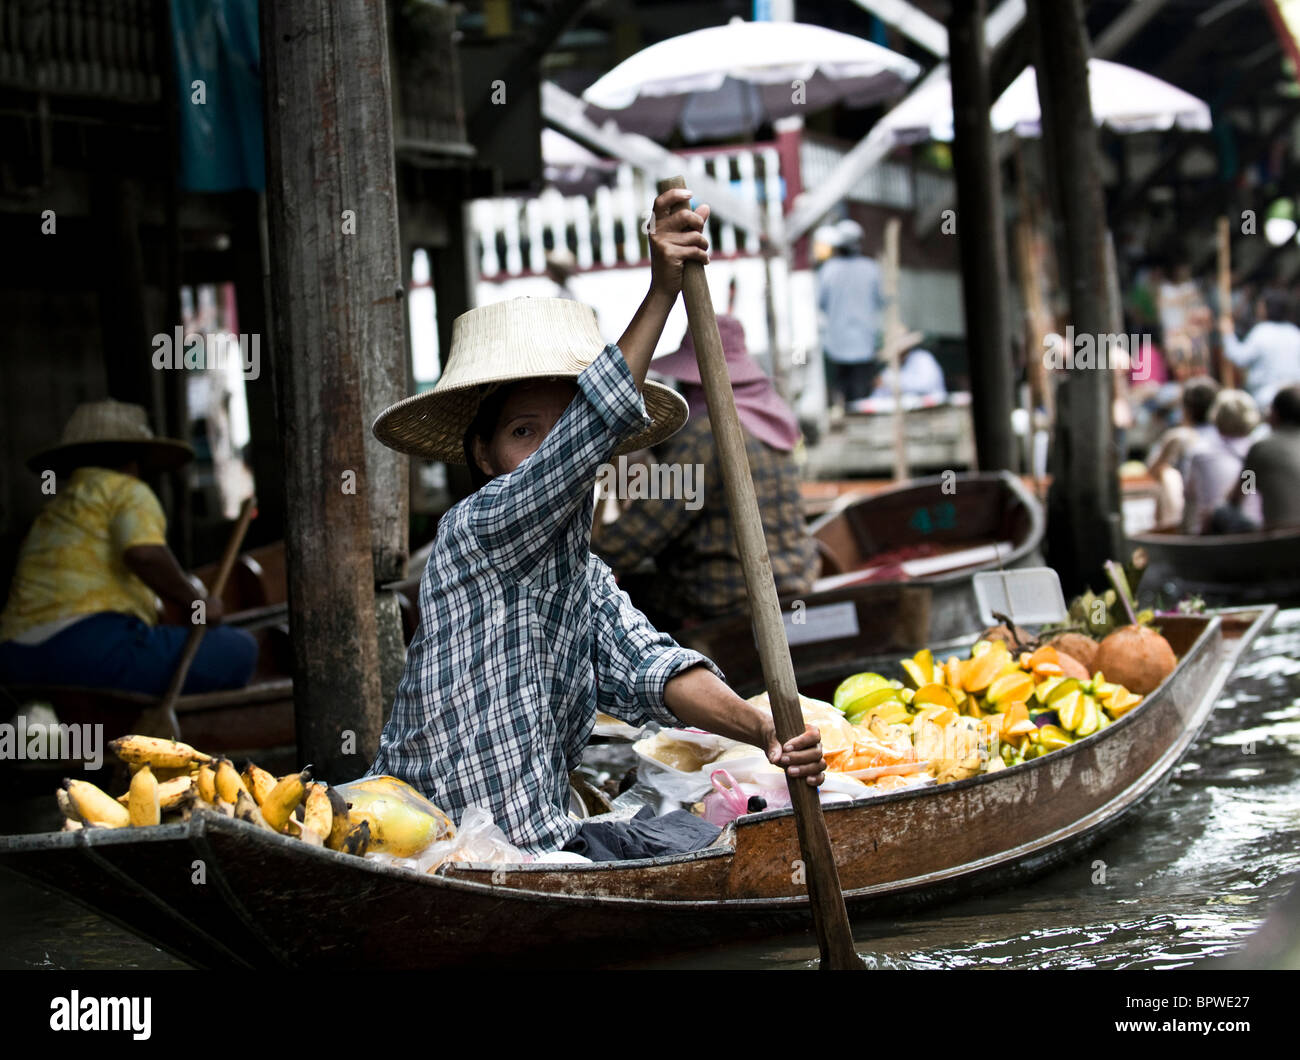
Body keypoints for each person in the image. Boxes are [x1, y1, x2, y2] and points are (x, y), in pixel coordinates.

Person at [367, 187, 826, 861]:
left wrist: (765, 731)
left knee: (700, 835)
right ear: (483, 454)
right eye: (525, 433)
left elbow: (653, 669)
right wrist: (661, 291)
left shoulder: (584, 575)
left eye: (563, 432)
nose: (552, 452)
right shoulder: (477, 528)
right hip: (444, 842)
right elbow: (579, 446)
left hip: (540, 840)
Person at [0, 400, 258, 694]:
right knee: (240, 649)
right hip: (85, 650)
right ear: (134, 463)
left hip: (15, 656)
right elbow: (144, 555)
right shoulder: (128, 490)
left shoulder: (55, 509)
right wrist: (198, 603)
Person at [590, 314, 818, 630]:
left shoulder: (708, 432)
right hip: (796, 584)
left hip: (732, 598)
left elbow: (641, 533)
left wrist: (592, 554)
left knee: (631, 594)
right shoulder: (771, 416)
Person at [817, 218, 885, 408]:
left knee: (844, 396)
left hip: (837, 346)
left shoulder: (828, 270)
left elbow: (821, 303)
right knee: (863, 396)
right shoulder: (871, 268)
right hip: (864, 344)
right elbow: (882, 301)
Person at [1183, 389, 1262, 534]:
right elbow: (1248, 492)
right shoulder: (1257, 451)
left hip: (1216, 533)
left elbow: (1189, 495)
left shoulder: (1200, 453)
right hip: (1251, 529)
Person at [1145, 376, 1220, 527]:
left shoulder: (1179, 437)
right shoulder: (1225, 436)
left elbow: (1151, 471)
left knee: (1166, 474)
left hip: (1194, 514)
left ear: (1186, 409)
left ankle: (1169, 529)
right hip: (1215, 509)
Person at [1224, 384, 1300, 530]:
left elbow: (1242, 494)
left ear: (1275, 414)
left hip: (1280, 537)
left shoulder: (1261, 448)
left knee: (1221, 513)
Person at [1219, 288, 1300, 409]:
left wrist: (1227, 334)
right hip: (1295, 396)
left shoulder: (1262, 332)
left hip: (1267, 397)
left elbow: (1239, 358)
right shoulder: (1295, 332)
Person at [869, 331, 946, 401]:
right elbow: (878, 396)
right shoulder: (889, 371)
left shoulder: (922, 358)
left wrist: (891, 382)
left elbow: (927, 384)